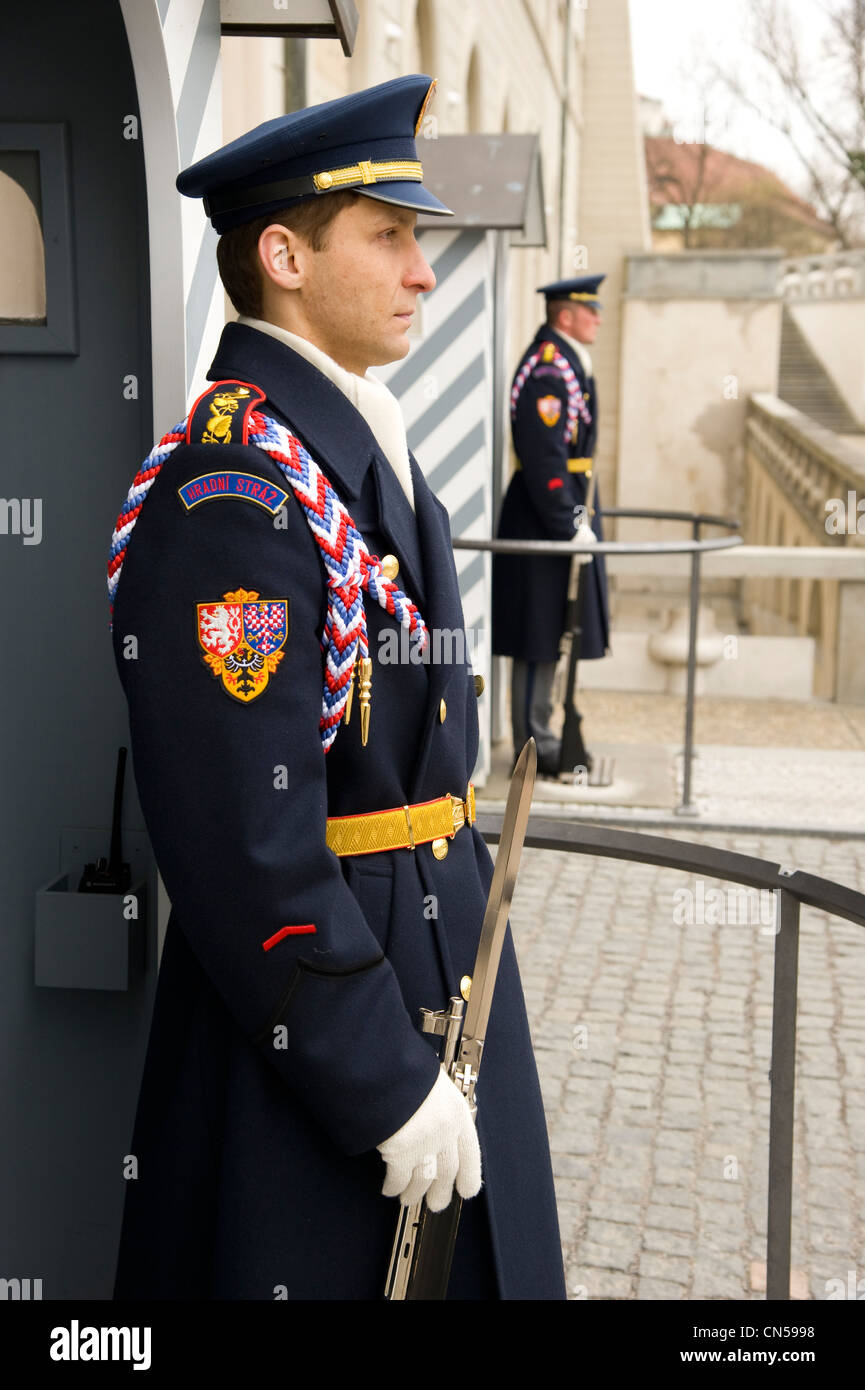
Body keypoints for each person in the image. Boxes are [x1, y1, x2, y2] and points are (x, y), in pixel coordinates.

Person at [108, 75, 565, 1301]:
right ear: (283, 256)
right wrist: (381, 1080)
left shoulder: (351, 441)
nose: (423, 270)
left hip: (433, 969)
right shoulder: (232, 490)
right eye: (391, 234)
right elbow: (239, 840)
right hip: (320, 1039)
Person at [492, 276, 610, 777]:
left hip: (563, 510)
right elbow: (544, 458)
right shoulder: (548, 371)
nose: (598, 319)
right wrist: (568, 523)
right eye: (590, 311)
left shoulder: (564, 362)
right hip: (546, 516)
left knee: (556, 630)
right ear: (565, 316)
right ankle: (532, 744)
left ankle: (544, 735)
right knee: (535, 634)